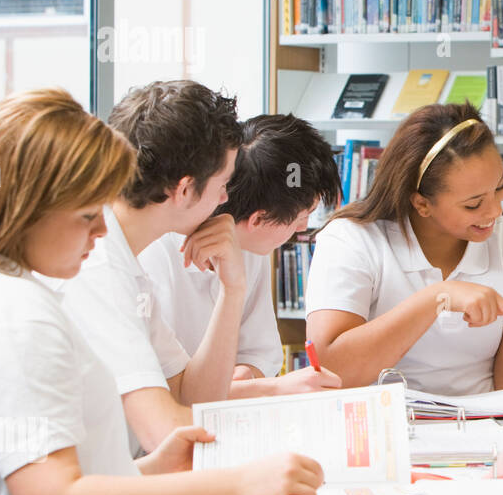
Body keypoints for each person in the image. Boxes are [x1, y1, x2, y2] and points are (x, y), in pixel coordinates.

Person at [0, 89, 322, 495]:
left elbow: (32, 485)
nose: (101, 228)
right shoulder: (13, 315)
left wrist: (149, 472)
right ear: (31, 207)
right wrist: (236, 485)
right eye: (85, 215)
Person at [59, 81, 337, 455]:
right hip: (102, 489)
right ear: (185, 190)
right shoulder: (101, 268)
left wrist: (232, 289)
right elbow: (166, 436)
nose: (226, 199)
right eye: (223, 184)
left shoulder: (125, 263)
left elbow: (194, 399)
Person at [306, 102, 503, 392]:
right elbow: (331, 373)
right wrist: (436, 298)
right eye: (473, 204)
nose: (495, 211)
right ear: (421, 203)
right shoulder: (351, 239)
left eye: (499, 188)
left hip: (482, 429)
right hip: (376, 427)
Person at [139, 113, 342, 389]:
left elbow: (261, 350)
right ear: (258, 220)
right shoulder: (155, 250)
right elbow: (170, 391)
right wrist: (267, 389)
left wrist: (250, 372)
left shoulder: (251, 248)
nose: (302, 230)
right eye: (300, 218)